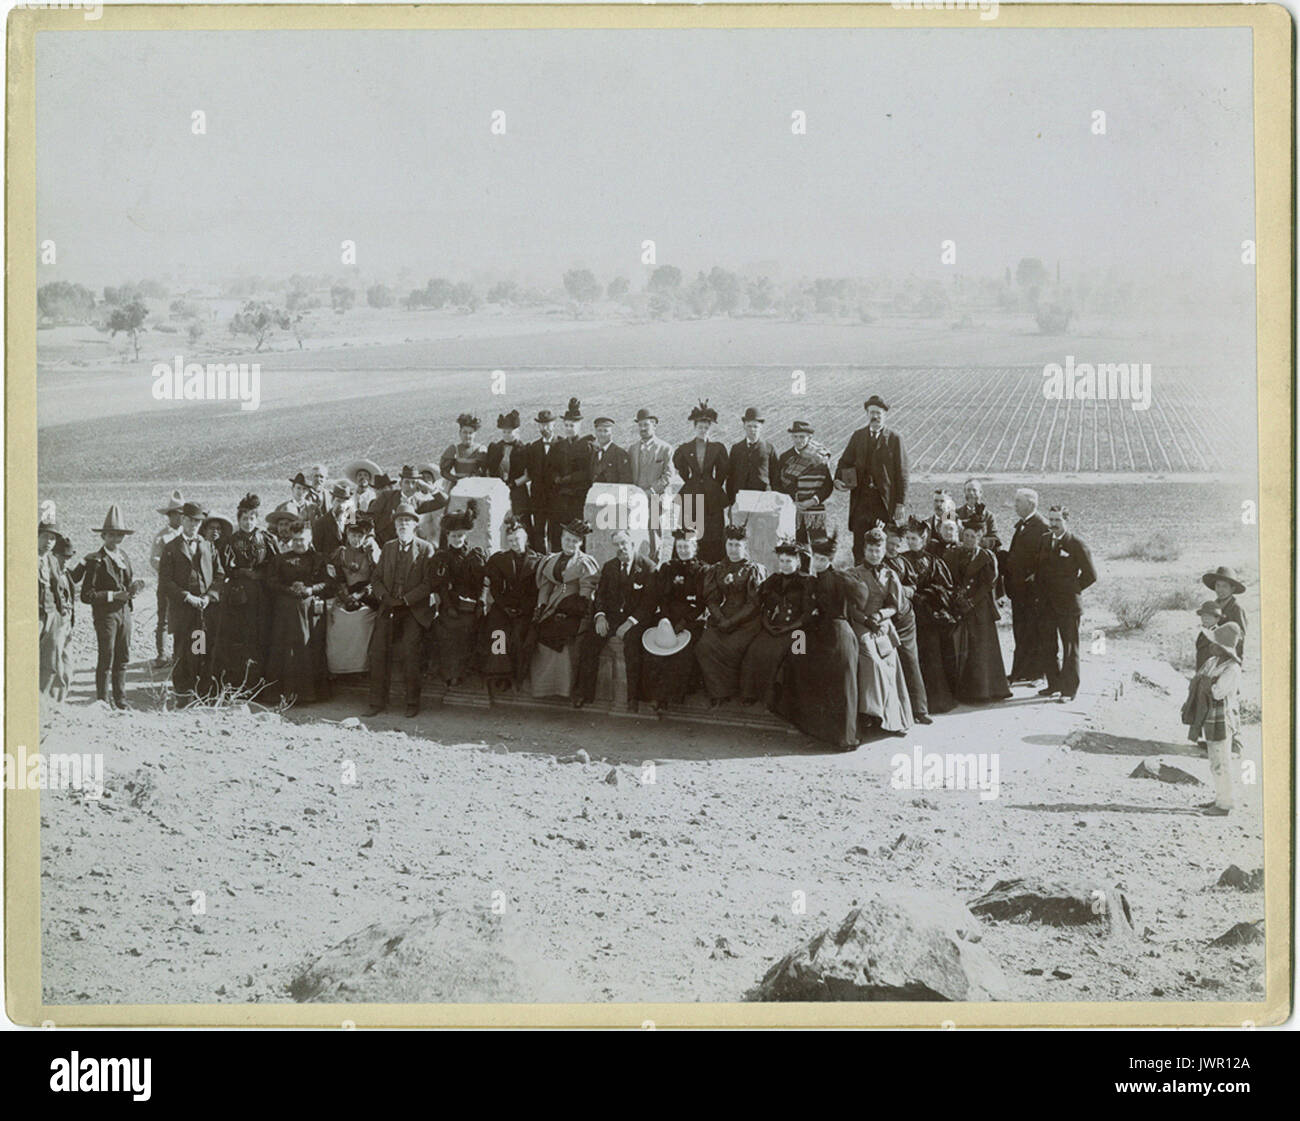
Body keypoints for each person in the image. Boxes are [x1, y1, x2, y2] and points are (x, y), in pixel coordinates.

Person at [774, 533, 861, 749]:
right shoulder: (811, 581)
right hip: (811, 631)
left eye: (823, 559)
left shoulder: (841, 578)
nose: (818, 563)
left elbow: (862, 596)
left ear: (830, 560)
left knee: (841, 680)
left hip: (838, 633)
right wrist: (792, 632)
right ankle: (805, 723)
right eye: (816, 558)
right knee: (795, 656)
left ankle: (844, 737)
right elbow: (805, 615)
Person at [366, 502, 436, 717]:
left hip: (413, 610)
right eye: (399, 521)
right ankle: (377, 702)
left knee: (410, 651)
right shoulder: (387, 547)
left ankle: (412, 702)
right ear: (395, 525)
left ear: (415, 524)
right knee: (377, 650)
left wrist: (406, 600)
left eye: (407, 521)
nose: (403, 524)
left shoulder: (426, 548)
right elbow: (376, 578)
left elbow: (428, 583)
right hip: (389, 606)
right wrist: (385, 596)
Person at [574, 529, 655, 710]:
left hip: (636, 620)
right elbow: (600, 595)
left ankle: (633, 698)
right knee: (589, 641)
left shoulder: (648, 567)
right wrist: (600, 616)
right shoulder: (610, 566)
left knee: (633, 645)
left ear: (632, 544)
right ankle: (584, 694)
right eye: (616, 545)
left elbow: (649, 604)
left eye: (623, 544)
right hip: (611, 617)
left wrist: (630, 622)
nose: (621, 548)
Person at [846, 526, 917, 730]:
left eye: (878, 550)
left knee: (889, 663)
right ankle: (870, 712)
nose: (874, 554)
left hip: (883, 624)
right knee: (872, 662)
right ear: (864, 551)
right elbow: (850, 607)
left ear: (884, 550)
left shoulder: (890, 575)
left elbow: (895, 605)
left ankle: (891, 717)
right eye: (870, 550)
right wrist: (866, 619)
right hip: (861, 624)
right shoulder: (854, 574)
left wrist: (880, 615)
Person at [80, 505, 146, 709]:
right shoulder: (96, 560)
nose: (116, 539)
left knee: (123, 657)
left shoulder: (123, 556)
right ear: (104, 536)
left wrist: (133, 588)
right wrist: (113, 595)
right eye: (112, 534)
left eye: (119, 535)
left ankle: (121, 699)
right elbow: (86, 595)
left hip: (124, 612)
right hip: (106, 614)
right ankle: (102, 700)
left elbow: (127, 582)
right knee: (106, 656)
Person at [158, 501, 225, 701]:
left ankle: (200, 692)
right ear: (183, 520)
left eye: (198, 521)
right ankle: (182, 694)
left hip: (202, 611)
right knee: (182, 651)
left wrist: (207, 597)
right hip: (183, 610)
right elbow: (165, 581)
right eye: (191, 520)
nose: (194, 525)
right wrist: (187, 597)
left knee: (200, 649)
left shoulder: (207, 546)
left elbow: (220, 574)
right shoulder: (171, 547)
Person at [695, 523, 766, 706]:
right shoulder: (717, 569)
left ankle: (740, 692)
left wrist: (732, 622)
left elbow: (754, 603)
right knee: (705, 645)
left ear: (745, 547)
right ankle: (718, 693)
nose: (733, 549)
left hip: (747, 620)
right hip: (722, 617)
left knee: (734, 647)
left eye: (737, 545)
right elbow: (712, 599)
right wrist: (720, 619)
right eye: (730, 544)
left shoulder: (754, 570)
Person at [528, 518, 599, 699]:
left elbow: (586, 594)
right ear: (561, 539)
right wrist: (541, 607)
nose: (570, 544)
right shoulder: (551, 559)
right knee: (539, 634)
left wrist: (577, 611)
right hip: (552, 607)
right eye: (567, 540)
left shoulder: (585, 563)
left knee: (564, 642)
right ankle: (543, 688)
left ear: (580, 543)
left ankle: (563, 688)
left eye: (575, 541)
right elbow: (546, 587)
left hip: (574, 610)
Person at [834, 395, 908, 565]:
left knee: (882, 544)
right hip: (861, 501)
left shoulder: (895, 439)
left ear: (885, 415)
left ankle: (883, 583)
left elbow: (902, 474)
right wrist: (838, 479)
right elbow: (844, 462)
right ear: (867, 414)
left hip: (884, 502)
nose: (875, 416)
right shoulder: (858, 436)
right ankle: (860, 583)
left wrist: (900, 504)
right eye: (871, 412)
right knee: (859, 545)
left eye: (878, 413)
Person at [214, 493, 277, 690]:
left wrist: (261, 574)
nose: (248, 522)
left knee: (261, 634)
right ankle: (239, 683)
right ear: (238, 520)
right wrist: (239, 572)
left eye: (251, 518)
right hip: (238, 595)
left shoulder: (266, 538)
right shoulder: (230, 541)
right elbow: (222, 567)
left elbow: (276, 565)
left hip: (262, 593)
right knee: (240, 636)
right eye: (244, 518)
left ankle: (261, 683)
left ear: (256, 519)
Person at [264, 520, 331, 705]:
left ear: (309, 539)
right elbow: (270, 582)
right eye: (295, 540)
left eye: (302, 539)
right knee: (284, 649)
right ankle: (282, 693)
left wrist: (311, 589)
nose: (298, 544)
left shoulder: (319, 559)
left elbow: (328, 583)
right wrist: (288, 589)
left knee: (307, 648)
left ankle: (308, 694)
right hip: (285, 612)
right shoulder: (281, 559)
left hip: (309, 612)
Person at [1035, 505, 1097, 702]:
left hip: (1068, 606)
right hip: (1046, 604)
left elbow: (1091, 575)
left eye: (1058, 520)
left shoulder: (1076, 544)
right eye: (1051, 520)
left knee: (1069, 648)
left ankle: (1069, 690)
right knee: (1048, 645)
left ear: (1066, 521)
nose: (1053, 524)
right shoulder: (1045, 540)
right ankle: (1053, 684)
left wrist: (1071, 589)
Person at [642, 528, 708, 712]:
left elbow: (701, 604)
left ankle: (674, 696)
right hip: (668, 619)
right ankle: (655, 696)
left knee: (682, 651)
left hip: (690, 620)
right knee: (656, 648)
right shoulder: (668, 568)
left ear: (694, 547)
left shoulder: (702, 570)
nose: (683, 550)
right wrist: (665, 619)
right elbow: (662, 598)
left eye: (686, 546)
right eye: (680, 547)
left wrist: (683, 624)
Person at [1181, 622, 1243, 816]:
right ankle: (1220, 797)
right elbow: (1200, 680)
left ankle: (1225, 804)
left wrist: (1204, 683)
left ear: (1223, 648)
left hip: (1222, 719)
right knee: (1214, 760)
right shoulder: (1212, 662)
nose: (1210, 646)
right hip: (1209, 717)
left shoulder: (1231, 669)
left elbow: (1217, 692)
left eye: (1214, 643)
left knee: (1222, 761)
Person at [739, 538, 811, 707]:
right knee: (755, 650)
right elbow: (764, 607)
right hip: (774, 626)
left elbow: (807, 614)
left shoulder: (806, 582)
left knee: (793, 655)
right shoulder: (773, 580)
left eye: (789, 561)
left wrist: (789, 628)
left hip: (798, 630)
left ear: (797, 562)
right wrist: (768, 626)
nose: (785, 565)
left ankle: (779, 701)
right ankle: (752, 694)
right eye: (782, 561)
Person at [946, 525, 1012, 702]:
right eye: (966, 535)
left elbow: (988, 584)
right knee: (966, 647)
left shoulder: (986, 557)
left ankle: (986, 691)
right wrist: (959, 598)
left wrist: (972, 601)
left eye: (972, 536)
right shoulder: (956, 554)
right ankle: (967, 691)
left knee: (982, 648)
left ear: (979, 537)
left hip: (980, 608)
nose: (968, 539)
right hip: (963, 606)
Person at [901, 517, 956, 714]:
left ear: (923, 539)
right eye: (908, 538)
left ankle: (935, 701)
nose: (910, 542)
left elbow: (945, 588)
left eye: (914, 539)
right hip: (907, 615)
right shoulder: (901, 559)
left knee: (931, 656)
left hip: (927, 616)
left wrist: (924, 595)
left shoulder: (933, 562)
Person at [480, 515, 540, 690]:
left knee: (519, 633)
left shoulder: (538, 561)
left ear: (526, 538)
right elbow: (496, 589)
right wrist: (506, 607)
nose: (515, 543)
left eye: (518, 539)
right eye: (511, 540)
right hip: (503, 607)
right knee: (498, 633)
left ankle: (519, 674)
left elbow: (537, 591)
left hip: (526, 608)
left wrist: (523, 609)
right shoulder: (499, 560)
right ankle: (500, 673)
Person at [430, 505, 487, 687]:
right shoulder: (442, 558)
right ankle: (450, 672)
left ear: (466, 536)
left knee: (473, 627)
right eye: (453, 536)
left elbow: (482, 583)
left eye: (460, 536)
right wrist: (448, 606)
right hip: (451, 604)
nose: (457, 540)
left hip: (471, 604)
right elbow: (440, 587)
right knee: (447, 629)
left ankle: (469, 670)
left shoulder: (475, 555)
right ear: (447, 537)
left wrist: (480, 602)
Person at [1004, 487, 1052, 685]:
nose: (1015, 505)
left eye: (1018, 502)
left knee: (1035, 631)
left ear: (1031, 504)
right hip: (1019, 591)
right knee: (1021, 631)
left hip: (1032, 592)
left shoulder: (1042, 526)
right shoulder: (1023, 525)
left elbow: (1047, 558)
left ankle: (1038, 674)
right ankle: (1021, 671)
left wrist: (1036, 577)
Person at [672, 400, 728, 563]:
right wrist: (692, 481)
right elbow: (681, 468)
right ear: (694, 427)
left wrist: (713, 485)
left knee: (713, 532)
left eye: (706, 428)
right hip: (691, 494)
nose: (703, 430)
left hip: (713, 497)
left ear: (710, 429)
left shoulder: (718, 448)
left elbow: (723, 471)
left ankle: (712, 565)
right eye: (700, 427)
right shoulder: (685, 448)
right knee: (690, 531)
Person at [324, 514, 380, 676]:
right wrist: (345, 596)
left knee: (361, 620)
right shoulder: (340, 553)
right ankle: (337, 667)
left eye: (359, 536)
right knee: (336, 618)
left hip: (366, 597)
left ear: (365, 537)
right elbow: (336, 579)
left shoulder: (370, 554)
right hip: (345, 595)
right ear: (347, 535)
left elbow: (377, 578)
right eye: (353, 535)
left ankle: (359, 667)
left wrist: (360, 595)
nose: (356, 539)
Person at [776, 421, 833, 567]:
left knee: (820, 548)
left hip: (814, 512)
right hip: (793, 511)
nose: (799, 440)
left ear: (809, 437)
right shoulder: (785, 457)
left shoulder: (819, 456)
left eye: (802, 437)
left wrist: (813, 500)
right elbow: (779, 484)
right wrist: (792, 503)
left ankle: (823, 578)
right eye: (795, 437)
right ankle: (802, 579)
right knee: (798, 548)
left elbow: (827, 485)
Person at [627, 407, 675, 559]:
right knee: (636, 533)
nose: (642, 428)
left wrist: (650, 491)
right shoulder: (633, 449)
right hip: (636, 500)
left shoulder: (665, 448)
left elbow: (668, 475)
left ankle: (656, 568)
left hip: (656, 499)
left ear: (654, 425)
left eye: (646, 425)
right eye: (640, 425)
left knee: (654, 534)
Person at [38, 507, 72, 701]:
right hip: (34, 617)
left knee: (50, 664)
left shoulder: (51, 560)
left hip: (52, 616)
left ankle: (44, 704)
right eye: (45, 536)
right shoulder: (26, 559)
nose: (48, 542)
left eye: (52, 538)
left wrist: (60, 614)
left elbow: (57, 587)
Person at [149, 490, 185, 667]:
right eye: (175, 514)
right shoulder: (162, 537)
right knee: (163, 618)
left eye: (181, 514)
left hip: (186, 586)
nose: (178, 518)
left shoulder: (190, 535)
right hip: (166, 583)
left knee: (188, 619)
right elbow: (154, 559)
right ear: (169, 516)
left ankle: (187, 653)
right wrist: (169, 572)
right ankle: (162, 654)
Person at [525, 409, 565, 552]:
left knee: (556, 533)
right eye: (541, 425)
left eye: (548, 424)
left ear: (554, 425)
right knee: (539, 532)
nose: (545, 428)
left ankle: (555, 563)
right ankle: (538, 563)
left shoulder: (562, 444)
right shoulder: (533, 447)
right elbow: (529, 472)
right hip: (538, 498)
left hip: (556, 498)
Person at [725, 406, 780, 504]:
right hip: (740, 497)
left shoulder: (769, 448)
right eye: (749, 426)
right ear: (744, 426)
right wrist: (731, 501)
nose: (752, 429)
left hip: (762, 497)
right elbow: (730, 477)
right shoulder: (736, 448)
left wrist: (773, 498)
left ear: (761, 427)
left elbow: (775, 476)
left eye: (755, 426)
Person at [556, 398, 594, 524]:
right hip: (562, 495)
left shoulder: (587, 446)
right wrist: (555, 477)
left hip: (579, 494)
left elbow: (588, 471)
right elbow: (553, 466)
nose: (569, 429)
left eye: (572, 426)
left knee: (578, 527)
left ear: (579, 425)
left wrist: (571, 478)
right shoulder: (559, 445)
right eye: (566, 425)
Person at [486, 410, 530, 518]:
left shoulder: (524, 450)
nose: (506, 435)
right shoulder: (495, 448)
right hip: (499, 489)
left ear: (517, 432)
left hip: (517, 491)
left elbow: (528, 474)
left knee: (520, 518)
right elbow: (489, 470)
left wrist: (513, 484)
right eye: (504, 432)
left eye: (509, 432)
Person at [1201, 566, 1246, 659]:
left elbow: (1240, 637)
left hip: (1227, 656)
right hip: (1211, 654)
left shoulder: (1236, 608)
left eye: (1224, 586)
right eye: (1218, 585)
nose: (1220, 590)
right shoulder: (1214, 605)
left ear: (1232, 589)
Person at [440, 413, 489, 483]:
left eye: (470, 433)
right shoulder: (454, 449)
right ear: (460, 433)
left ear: (475, 434)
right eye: (465, 432)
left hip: (476, 484)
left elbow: (486, 472)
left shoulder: (480, 449)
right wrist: (457, 480)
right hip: (458, 485)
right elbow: (444, 472)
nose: (467, 436)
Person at [311, 481, 355, 558]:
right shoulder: (321, 523)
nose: (341, 505)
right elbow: (317, 552)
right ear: (332, 501)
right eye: (338, 501)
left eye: (344, 502)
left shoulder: (352, 519)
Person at [589, 415, 633, 486]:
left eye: (606, 431)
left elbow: (625, 481)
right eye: (599, 430)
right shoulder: (595, 453)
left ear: (612, 433)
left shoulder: (619, 453)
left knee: (655, 497)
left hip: (613, 495)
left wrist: (621, 497)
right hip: (597, 494)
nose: (602, 434)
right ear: (596, 433)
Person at [1194, 600, 1225, 670]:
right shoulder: (1202, 633)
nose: (1205, 619)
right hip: (1201, 669)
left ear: (1217, 619)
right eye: (1204, 616)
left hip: (1212, 672)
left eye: (1209, 616)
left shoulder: (1219, 634)